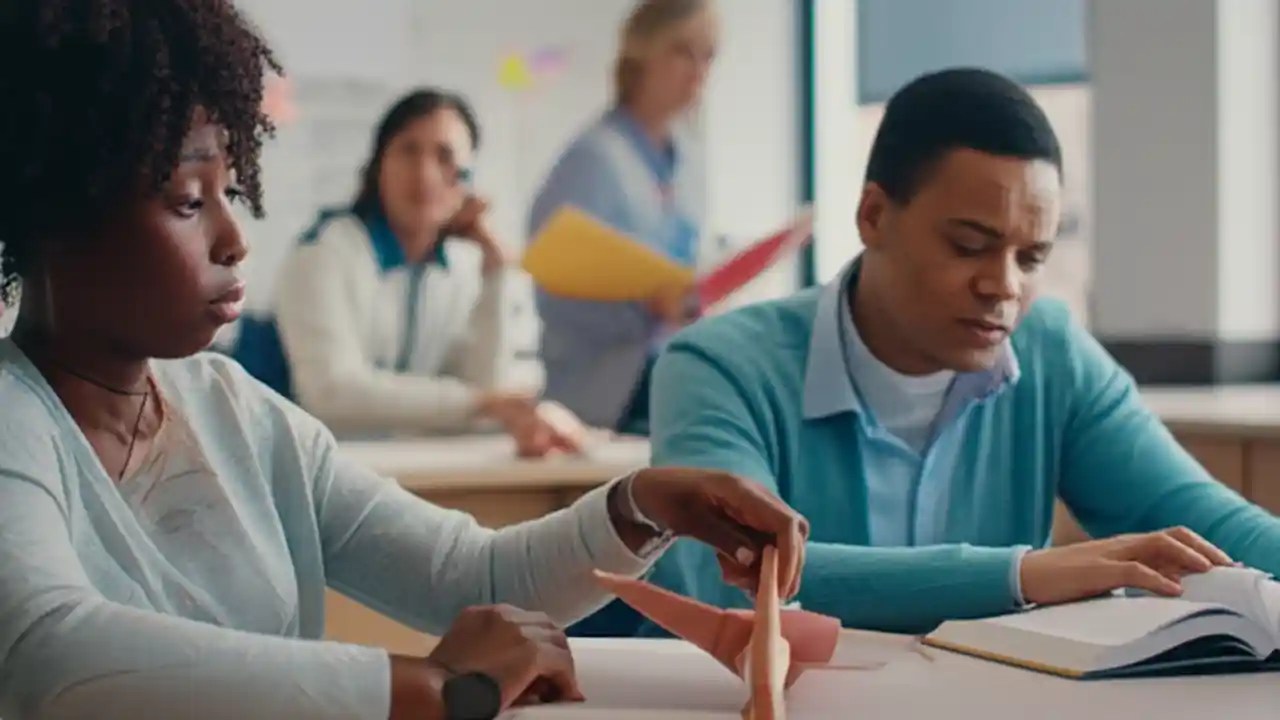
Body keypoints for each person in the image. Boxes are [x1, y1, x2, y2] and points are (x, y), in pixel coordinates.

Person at [0, 3, 809, 718]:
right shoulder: (14, 420)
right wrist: (433, 690)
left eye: (230, 195)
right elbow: (54, 656)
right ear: (53, 216)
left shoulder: (234, 411)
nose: (234, 239)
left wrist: (642, 503)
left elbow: (473, 574)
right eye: (188, 200)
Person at [635, 67, 1280, 636]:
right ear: (873, 216)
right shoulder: (716, 366)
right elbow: (741, 574)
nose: (1003, 285)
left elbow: (1211, 526)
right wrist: (1023, 576)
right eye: (970, 245)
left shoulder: (1053, 355)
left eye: (1032, 258)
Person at [234, 89, 579, 456]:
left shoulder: (459, 267)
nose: (425, 173)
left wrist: (495, 273)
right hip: (285, 461)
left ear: (468, 178)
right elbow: (331, 393)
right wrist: (477, 404)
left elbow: (486, 388)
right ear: (378, 163)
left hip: (403, 465)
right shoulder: (325, 251)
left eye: (445, 156)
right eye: (408, 150)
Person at [528, 0, 717, 435]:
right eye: (682, 51)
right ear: (642, 54)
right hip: (603, 389)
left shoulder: (688, 161)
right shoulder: (594, 159)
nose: (698, 70)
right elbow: (552, 282)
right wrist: (642, 307)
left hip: (667, 368)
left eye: (708, 56)